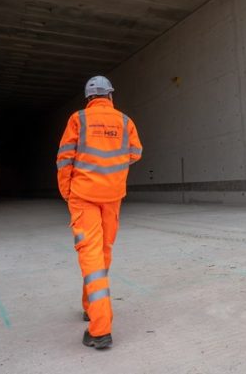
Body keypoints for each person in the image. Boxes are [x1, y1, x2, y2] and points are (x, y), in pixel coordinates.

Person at [56, 75, 143, 349]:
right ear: (111, 96)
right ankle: (90, 307)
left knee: (91, 257)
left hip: (84, 197)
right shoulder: (125, 121)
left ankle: (100, 330)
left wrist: (67, 191)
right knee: (102, 253)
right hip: (113, 198)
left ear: (89, 98)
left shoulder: (77, 119)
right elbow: (135, 153)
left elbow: (64, 158)